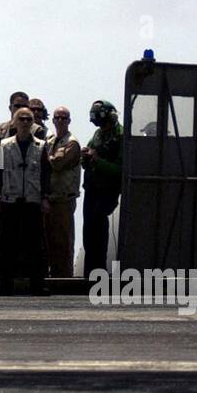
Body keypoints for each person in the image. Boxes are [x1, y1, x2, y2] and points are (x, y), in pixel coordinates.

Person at [0, 106, 51, 295]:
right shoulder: (0, 145)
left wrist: (45, 198)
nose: (25, 123)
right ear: (14, 122)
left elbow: (46, 174)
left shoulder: (42, 146)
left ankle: (37, 284)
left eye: (28, 119)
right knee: (6, 245)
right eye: (22, 119)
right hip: (9, 200)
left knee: (35, 246)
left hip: (32, 201)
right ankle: (5, 284)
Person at [80, 99, 123, 277]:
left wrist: (97, 160)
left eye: (103, 122)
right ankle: (89, 272)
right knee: (89, 229)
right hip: (91, 188)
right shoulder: (97, 136)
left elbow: (120, 170)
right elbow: (86, 162)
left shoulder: (121, 137)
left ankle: (99, 271)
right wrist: (86, 157)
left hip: (107, 190)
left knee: (99, 227)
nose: (102, 127)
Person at [44, 106, 81, 277]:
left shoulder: (72, 142)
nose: (60, 121)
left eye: (64, 118)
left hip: (64, 199)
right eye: (57, 117)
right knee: (49, 240)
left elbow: (57, 163)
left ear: (69, 121)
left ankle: (65, 277)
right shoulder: (49, 139)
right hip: (49, 198)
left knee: (63, 241)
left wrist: (42, 158)